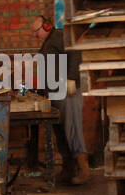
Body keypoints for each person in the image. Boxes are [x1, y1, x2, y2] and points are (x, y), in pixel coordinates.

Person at [31, 14, 88, 185]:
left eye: (37, 31)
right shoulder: (48, 44)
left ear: (47, 26)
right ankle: (68, 170)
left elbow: (76, 51)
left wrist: (72, 78)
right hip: (55, 94)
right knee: (61, 132)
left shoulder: (60, 36)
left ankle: (84, 170)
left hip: (67, 93)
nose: (36, 35)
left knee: (73, 130)